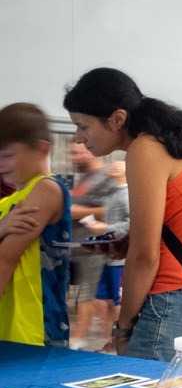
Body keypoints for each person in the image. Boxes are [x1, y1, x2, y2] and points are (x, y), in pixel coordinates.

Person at [63, 68, 182, 364]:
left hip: (173, 304)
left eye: (83, 126)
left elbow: (145, 256)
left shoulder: (145, 149)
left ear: (116, 119)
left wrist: (122, 326)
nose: (78, 139)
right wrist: (126, 242)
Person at [0, 103, 71, 347]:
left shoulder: (46, 188)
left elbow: (5, 258)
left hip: (35, 329)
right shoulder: (9, 202)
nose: (1, 163)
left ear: (42, 149)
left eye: (8, 155)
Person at [73, 160, 130, 351]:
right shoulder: (112, 194)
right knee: (100, 299)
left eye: (120, 164)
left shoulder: (127, 194)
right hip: (106, 257)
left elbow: (131, 225)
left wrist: (105, 228)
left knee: (117, 300)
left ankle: (116, 339)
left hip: (119, 259)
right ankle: (108, 338)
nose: (114, 166)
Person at [67, 142, 117, 346]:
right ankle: (98, 338)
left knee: (89, 296)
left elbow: (110, 209)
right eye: (72, 153)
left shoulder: (105, 176)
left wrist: (75, 211)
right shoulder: (84, 178)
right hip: (77, 248)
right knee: (90, 298)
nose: (76, 157)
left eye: (80, 152)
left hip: (93, 248)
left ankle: (78, 341)